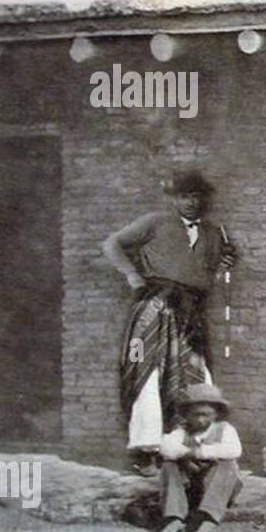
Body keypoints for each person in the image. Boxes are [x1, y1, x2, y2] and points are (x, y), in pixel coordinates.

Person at [103, 169, 238, 477]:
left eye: (196, 196)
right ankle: (146, 450)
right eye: (184, 196)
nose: (191, 202)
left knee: (195, 374)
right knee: (146, 374)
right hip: (155, 306)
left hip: (191, 312)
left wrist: (223, 265)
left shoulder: (215, 233)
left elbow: (210, 274)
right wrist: (130, 274)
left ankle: (192, 447)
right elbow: (111, 244)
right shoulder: (154, 222)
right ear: (174, 199)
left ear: (204, 199)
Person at [156, 383, 243, 532]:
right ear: (187, 415)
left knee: (226, 464)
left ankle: (209, 521)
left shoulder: (225, 429)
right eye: (195, 415)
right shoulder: (182, 431)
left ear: (216, 414)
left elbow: (233, 450)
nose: (201, 420)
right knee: (169, 465)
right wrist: (186, 454)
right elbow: (166, 447)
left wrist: (198, 452)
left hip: (220, 487)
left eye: (206, 415)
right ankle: (175, 518)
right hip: (192, 488)